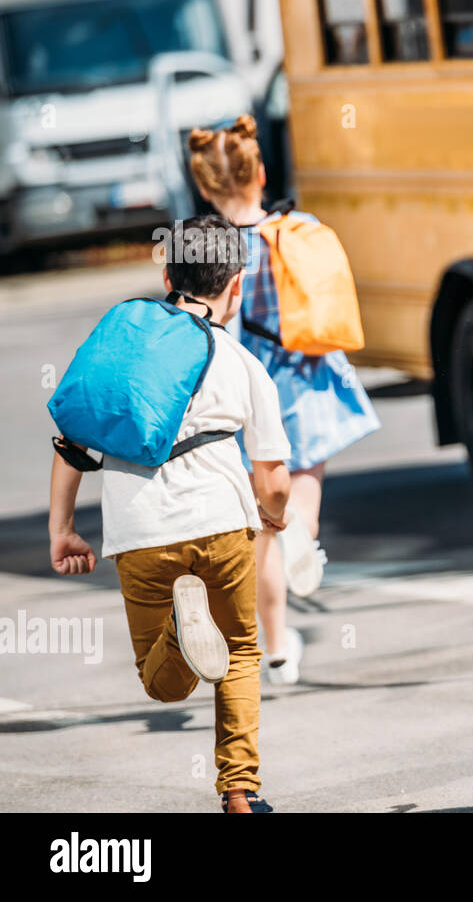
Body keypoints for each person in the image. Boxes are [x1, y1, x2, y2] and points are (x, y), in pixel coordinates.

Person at [48, 215, 292, 813]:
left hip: (142, 532)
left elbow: (72, 443)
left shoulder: (125, 355)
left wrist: (63, 529)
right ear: (236, 286)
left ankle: (182, 639)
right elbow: (275, 478)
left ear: (166, 275)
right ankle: (241, 794)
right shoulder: (241, 362)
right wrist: (273, 515)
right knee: (238, 652)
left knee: (161, 684)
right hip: (223, 523)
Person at [187, 115, 380, 684]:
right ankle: (304, 533)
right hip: (305, 379)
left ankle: (275, 652)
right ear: (261, 171)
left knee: (259, 529)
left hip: (241, 393)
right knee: (303, 491)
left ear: (204, 187)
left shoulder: (202, 247)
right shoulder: (301, 228)